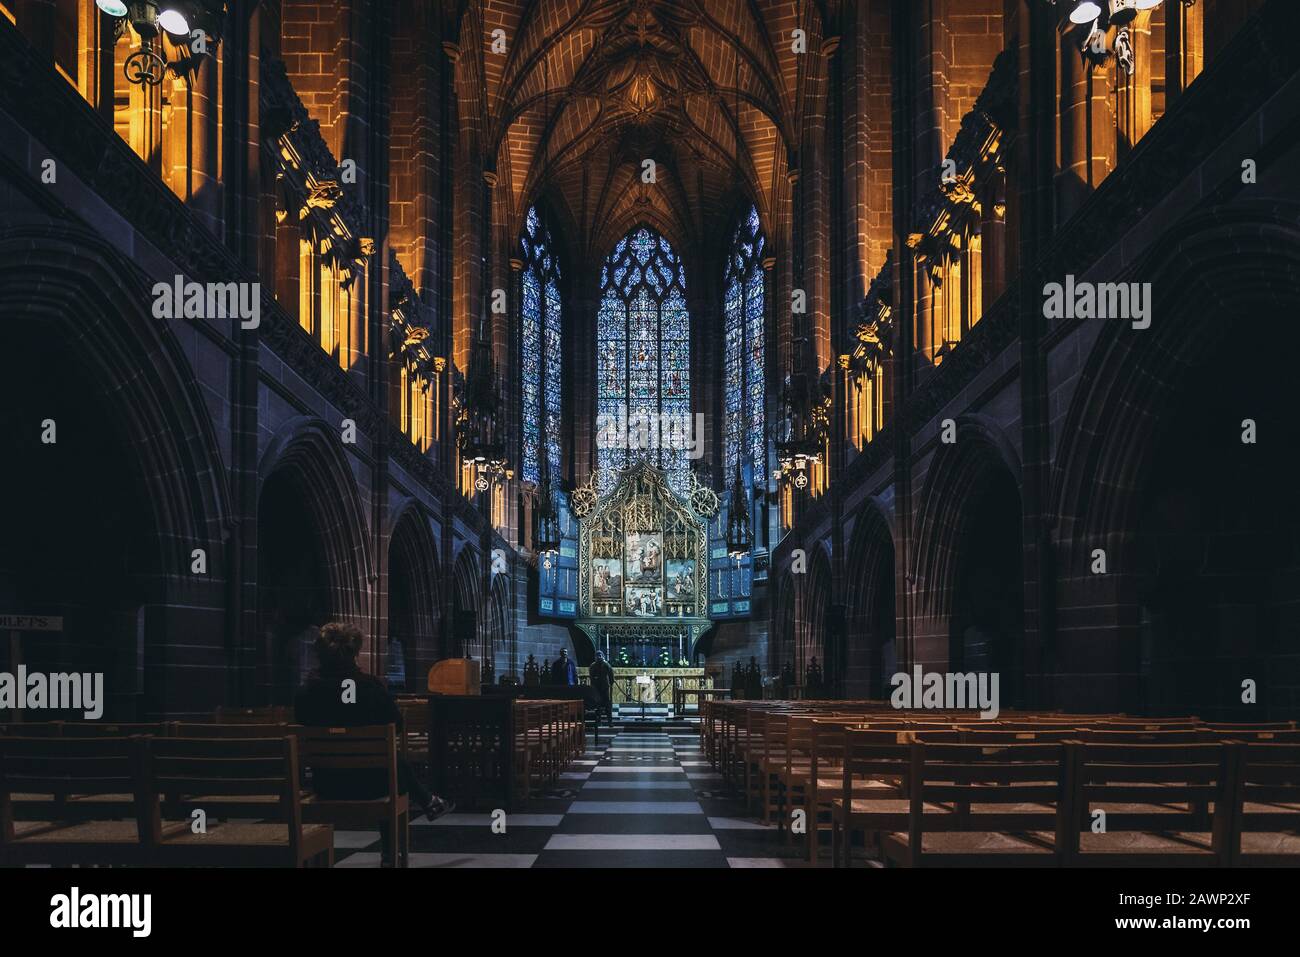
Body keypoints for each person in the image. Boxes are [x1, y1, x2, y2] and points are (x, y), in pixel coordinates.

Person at [294, 623, 454, 861]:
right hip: (372, 785)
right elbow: (396, 725)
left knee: (391, 763)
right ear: (354, 653)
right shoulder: (369, 687)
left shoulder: (308, 692)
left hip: (327, 783)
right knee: (392, 764)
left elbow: (300, 726)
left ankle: (317, 856)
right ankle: (391, 851)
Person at [589, 650, 615, 724]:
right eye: (597, 655)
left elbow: (611, 675)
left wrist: (611, 683)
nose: (599, 657)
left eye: (600, 655)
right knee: (597, 705)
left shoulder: (606, 665)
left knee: (607, 705)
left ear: (603, 656)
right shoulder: (593, 666)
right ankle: (598, 720)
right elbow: (591, 676)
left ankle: (610, 721)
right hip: (596, 687)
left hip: (605, 687)